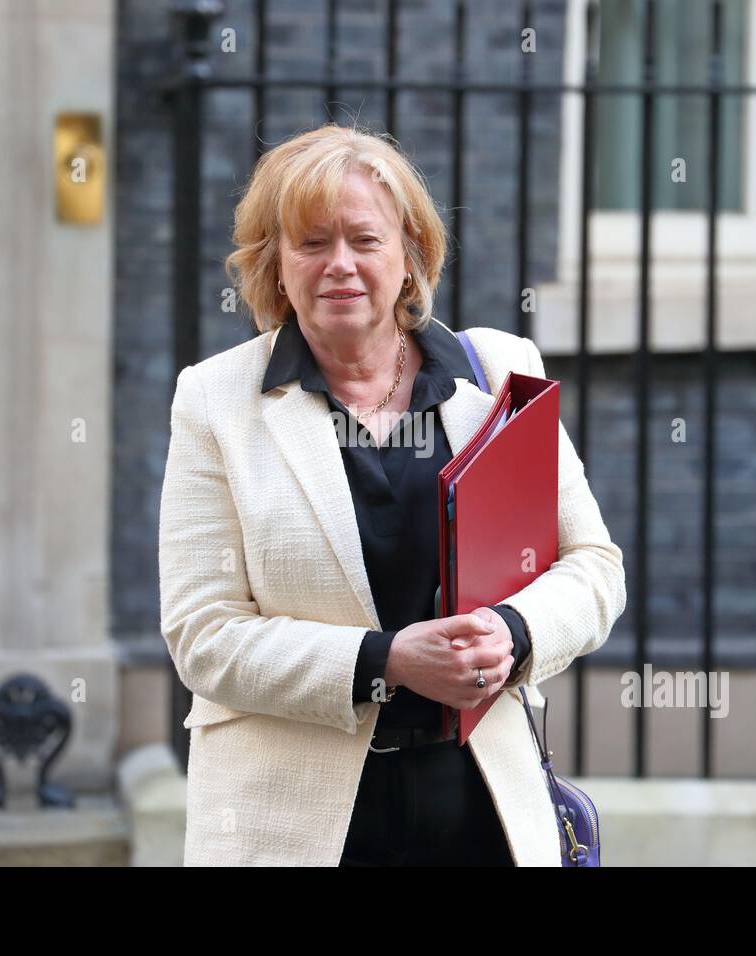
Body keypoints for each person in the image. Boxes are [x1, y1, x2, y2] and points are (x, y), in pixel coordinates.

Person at [158, 122, 626, 866]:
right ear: (275, 265)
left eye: (364, 241)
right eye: (311, 242)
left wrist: (514, 631)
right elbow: (202, 636)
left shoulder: (499, 373)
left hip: (482, 815)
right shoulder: (215, 400)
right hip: (294, 827)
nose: (338, 265)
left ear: (408, 256)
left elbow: (594, 566)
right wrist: (386, 661)